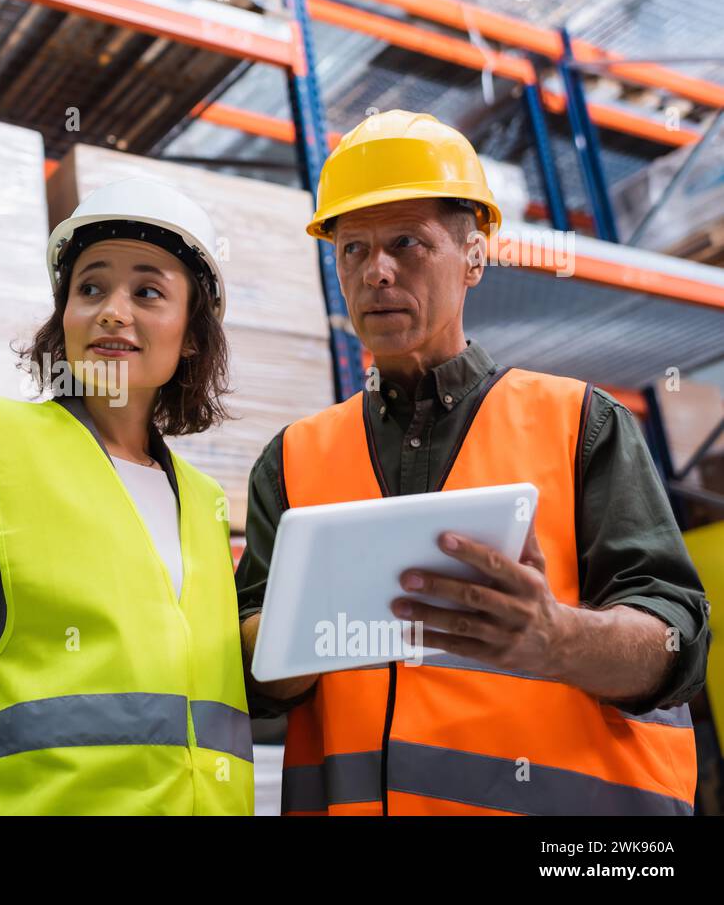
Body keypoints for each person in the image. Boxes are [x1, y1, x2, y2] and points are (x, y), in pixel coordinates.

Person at [237, 110, 710, 815]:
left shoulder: (581, 422)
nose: (377, 272)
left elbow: (676, 637)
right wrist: (280, 643)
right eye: (352, 250)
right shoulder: (294, 459)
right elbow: (250, 668)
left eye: (407, 243)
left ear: (475, 255)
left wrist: (558, 637)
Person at [0, 179, 254, 815]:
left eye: (147, 291)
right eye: (90, 288)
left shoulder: (204, 503)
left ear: (192, 334)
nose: (112, 311)